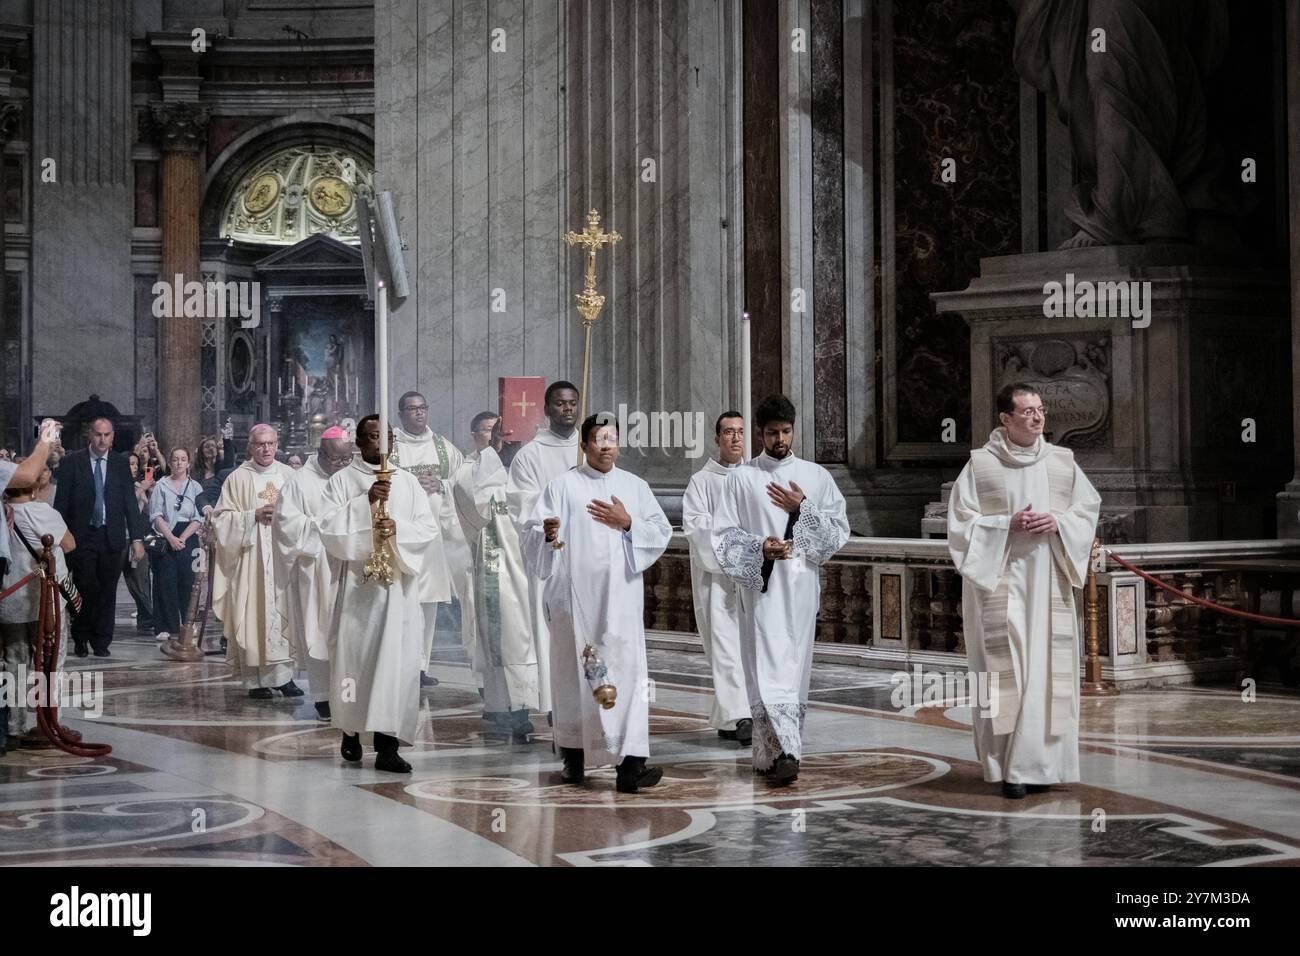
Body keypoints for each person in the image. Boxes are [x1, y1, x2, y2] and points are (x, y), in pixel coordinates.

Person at [947, 382, 1101, 799]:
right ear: (1005, 419)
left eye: (1041, 410)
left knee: (1045, 674)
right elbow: (961, 525)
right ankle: (1008, 768)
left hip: (1048, 580)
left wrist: (1059, 524)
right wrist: (1005, 525)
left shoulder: (1063, 462)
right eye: (1028, 411)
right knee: (1006, 674)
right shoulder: (981, 465)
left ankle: (1038, 767)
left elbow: (1086, 510)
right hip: (999, 583)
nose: (1037, 417)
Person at [522, 413, 672, 793]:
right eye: (598, 438)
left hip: (620, 600)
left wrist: (628, 523)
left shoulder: (635, 487)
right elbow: (534, 534)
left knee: (627, 675)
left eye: (612, 438)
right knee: (574, 677)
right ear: (585, 445)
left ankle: (631, 765)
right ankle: (573, 756)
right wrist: (546, 533)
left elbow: (661, 531)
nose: (606, 446)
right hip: (575, 602)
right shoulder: (563, 486)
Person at [712, 395, 850, 786]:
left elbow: (837, 533)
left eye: (786, 431)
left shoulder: (816, 477)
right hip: (762, 590)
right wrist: (761, 547)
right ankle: (783, 753)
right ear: (760, 433)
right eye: (772, 432)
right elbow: (723, 536)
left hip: (801, 588)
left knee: (793, 669)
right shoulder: (741, 479)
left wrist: (802, 508)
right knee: (765, 668)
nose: (779, 439)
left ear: (794, 430)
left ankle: (782, 755)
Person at [319, 416, 440, 773]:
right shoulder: (342, 481)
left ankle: (388, 745)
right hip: (357, 591)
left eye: (385, 437)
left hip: (397, 590)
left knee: (396, 665)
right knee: (356, 663)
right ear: (359, 441)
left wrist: (397, 529)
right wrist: (366, 503)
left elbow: (428, 527)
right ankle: (351, 729)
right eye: (372, 437)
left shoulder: (408, 483)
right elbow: (327, 528)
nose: (380, 444)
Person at [451, 413, 538, 743]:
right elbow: (473, 506)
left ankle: (538, 702)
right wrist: (494, 458)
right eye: (495, 434)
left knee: (537, 640)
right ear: (482, 437)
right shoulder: (472, 472)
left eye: (510, 435)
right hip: (499, 568)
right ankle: (510, 708)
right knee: (508, 640)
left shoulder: (529, 469)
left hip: (535, 568)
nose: (506, 441)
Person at [506, 380, 581, 716]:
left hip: (589, 554)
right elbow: (522, 507)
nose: (568, 409)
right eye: (561, 403)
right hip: (551, 552)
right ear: (547, 409)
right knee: (553, 631)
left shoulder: (592, 448)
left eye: (573, 403)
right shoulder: (530, 455)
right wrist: (560, 503)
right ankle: (556, 705)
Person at [211, 425, 299, 699]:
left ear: (277, 444)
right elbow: (221, 519)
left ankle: (284, 677)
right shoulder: (237, 478)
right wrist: (252, 516)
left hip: (282, 558)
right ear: (251, 446)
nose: (266, 449)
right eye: (260, 444)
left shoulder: (290, 475)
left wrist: (284, 516)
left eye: (271, 443)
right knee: (254, 614)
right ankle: (256, 681)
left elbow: (304, 513)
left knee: (284, 612)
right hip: (250, 560)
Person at [273, 427, 355, 721]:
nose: (343, 465)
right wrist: (324, 527)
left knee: (348, 634)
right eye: (337, 459)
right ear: (321, 454)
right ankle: (322, 697)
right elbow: (285, 523)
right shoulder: (299, 483)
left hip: (348, 565)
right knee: (319, 631)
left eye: (348, 459)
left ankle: (350, 694)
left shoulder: (351, 478)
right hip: (315, 566)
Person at [682, 411, 752, 745]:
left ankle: (729, 716)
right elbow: (695, 527)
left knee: (748, 648)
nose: (736, 438)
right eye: (728, 432)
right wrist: (734, 545)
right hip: (718, 578)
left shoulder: (755, 477)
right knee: (724, 648)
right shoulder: (702, 481)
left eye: (740, 432)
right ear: (717, 439)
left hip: (753, 577)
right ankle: (740, 717)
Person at [53, 416, 147, 658]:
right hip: (81, 537)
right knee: (85, 587)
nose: (102, 439)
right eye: (98, 434)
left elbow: (129, 504)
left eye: (107, 435)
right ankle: (81, 636)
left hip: (111, 536)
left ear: (112, 436)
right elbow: (61, 505)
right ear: (90, 436)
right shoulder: (71, 462)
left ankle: (102, 640)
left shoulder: (119, 463)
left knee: (108, 590)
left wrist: (137, 539)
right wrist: (59, 539)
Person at [0, 462, 75, 749]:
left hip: (9, 601)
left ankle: (15, 726)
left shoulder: (3, 512)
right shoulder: (41, 511)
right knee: (52, 662)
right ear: (32, 485)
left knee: (14, 666)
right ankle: (48, 721)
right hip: (44, 604)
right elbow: (68, 544)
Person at [390, 391, 459, 688]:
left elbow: (463, 483)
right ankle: (398, 664)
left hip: (432, 542)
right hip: (401, 541)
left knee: (428, 604)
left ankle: (420, 666)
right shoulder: (390, 447)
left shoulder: (443, 447)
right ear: (401, 414)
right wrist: (410, 487)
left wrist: (442, 484)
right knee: (401, 603)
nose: (419, 413)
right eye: (412, 409)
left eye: (423, 408)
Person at [147, 448, 204, 642]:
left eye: (183, 459)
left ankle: (188, 623)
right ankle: (165, 625)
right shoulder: (161, 485)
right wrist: (171, 537)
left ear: (188, 463)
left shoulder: (195, 486)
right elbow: (155, 515)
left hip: (189, 536)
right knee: (165, 581)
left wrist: (183, 538)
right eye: (175, 460)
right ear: (170, 463)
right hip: (166, 534)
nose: (179, 463)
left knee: (189, 582)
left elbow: (199, 517)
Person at [122, 452, 155, 634]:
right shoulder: (117, 484)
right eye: (130, 464)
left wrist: (146, 493)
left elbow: (149, 512)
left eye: (136, 464)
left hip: (137, 538)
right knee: (129, 581)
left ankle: (148, 616)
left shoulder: (138, 486)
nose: (134, 467)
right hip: (120, 538)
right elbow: (122, 507)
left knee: (140, 580)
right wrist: (140, 489)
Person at [195, 422, 236, 514]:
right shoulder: (196, 471)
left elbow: (230, 459)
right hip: (200, 507)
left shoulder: (222, 468)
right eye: (207, 447)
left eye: (213, 446)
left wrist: (227, 440)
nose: (211, 448)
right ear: (201, 451)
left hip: (220, 507)